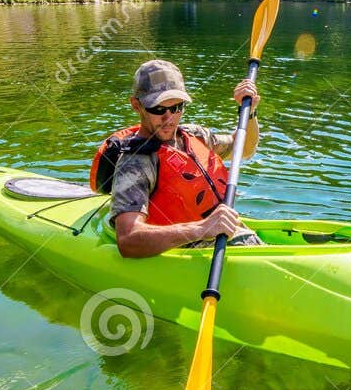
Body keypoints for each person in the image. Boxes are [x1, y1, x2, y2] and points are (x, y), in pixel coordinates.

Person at [90, 59, 262, 258]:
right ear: (136, 105)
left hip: (232, 237)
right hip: (191, 255)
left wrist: (249, 111)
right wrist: (201, 229)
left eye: (177, 107)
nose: (169, 118)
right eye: (158, 109)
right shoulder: (135, 163)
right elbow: (129, 240)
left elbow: (245, 148)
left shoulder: (194, 135)